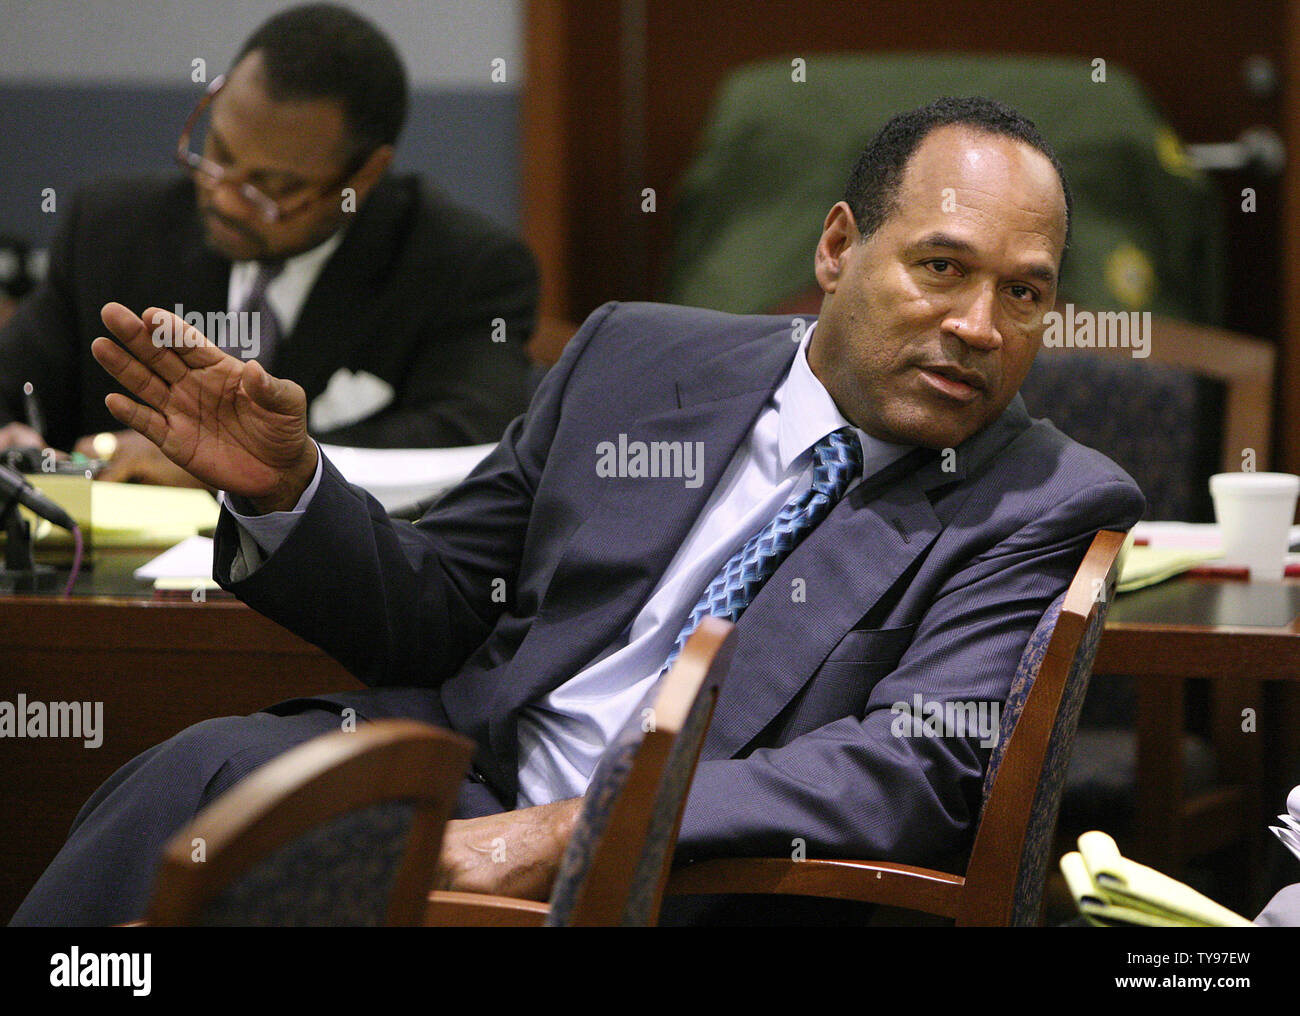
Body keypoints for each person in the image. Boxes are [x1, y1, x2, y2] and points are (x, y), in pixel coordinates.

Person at [12, 96, 1144, 925]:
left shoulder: (1039, 494)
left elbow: (909, 769)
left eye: (1025, 290)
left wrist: (571, 827)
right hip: (467, 774)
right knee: (199, 771)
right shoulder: (634, 359)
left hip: (695, 873)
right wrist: (286, 488)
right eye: (941, 267)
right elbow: (445, 606)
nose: (980, 324)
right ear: (840, 248)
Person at [0, 3, 537, 485]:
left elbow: (469, 439)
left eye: (274, 188)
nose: (228, 199)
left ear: (365, 176)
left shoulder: (465, 268)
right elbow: (13, 386)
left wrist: (256, 466)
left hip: (332, 589)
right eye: (220, 155)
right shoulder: (111, 229)